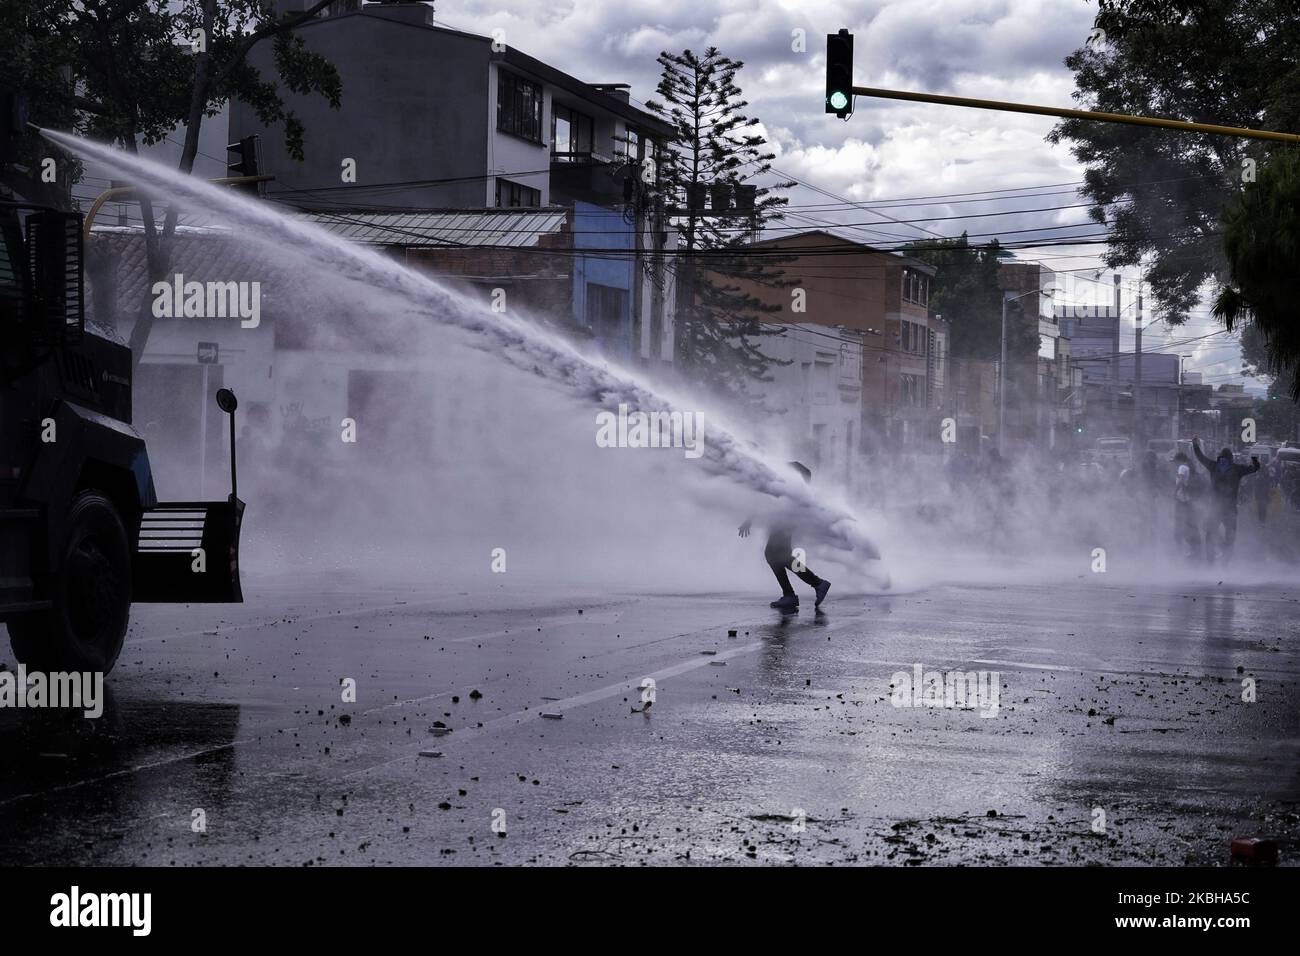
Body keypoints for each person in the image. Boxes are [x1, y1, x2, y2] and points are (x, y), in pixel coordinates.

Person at [739, 461, 831, 612]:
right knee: (779, 556)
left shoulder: (784, 478)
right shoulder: (777, 481)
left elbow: (805, 474)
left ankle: (811, 586)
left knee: (775, 555)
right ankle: (800, 590)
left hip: (786, 521)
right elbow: (763, 501)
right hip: (784, 520)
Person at [1192, 437, 1260, 562]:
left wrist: (1195, 445)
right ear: (1231, 458)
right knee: (1230, 536)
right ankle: (1226, 560)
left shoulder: (1213, 465)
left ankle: (1210, 561)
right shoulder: (1237, 468)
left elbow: (1200, 457)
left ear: (1220, 457)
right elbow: (1254, 468)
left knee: (1210, 535)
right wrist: (1255, 459)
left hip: (1215, 508)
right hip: (1230, 509)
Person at [1171, 452, 1202, 560]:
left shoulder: (1182, 467)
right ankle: (1194, 548)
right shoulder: (1188, 467)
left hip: (1183, 501)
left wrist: (1174, 493)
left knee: (1182, 526)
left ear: (1179, 460)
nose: (1174, 464)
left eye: (1175, 461)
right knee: (1189, 524)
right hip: (1187, 501)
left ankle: (1190, 549)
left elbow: (1180, 480)